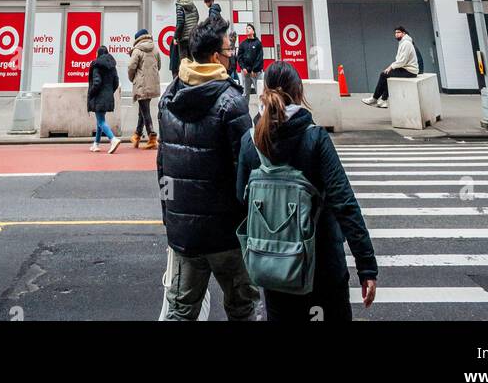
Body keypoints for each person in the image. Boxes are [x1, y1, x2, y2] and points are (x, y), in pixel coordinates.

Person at [238, 61, 378, 322]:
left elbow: (240, 201)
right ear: (299, 92)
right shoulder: (314, 138)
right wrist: (366, 265)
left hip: (274, 268)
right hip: (322, 265)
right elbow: (344, 203)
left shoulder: (251, 141)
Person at [157, 18, 258, 321]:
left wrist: (171, 219)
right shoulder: (232, 102)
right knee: (243, 309)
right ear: (216, 57)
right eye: (230, 49)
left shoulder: (168, 100)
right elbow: (248, 169)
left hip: (185, 236)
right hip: (227, 234)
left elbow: (162, 168)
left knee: (181, 312)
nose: (233, 54)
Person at [362, 25, 418, 109]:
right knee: (387, 76)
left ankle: (375, 98)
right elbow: (400, 60)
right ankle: (382, 100)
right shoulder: (403, 42)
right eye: (395, 33)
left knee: (384, 74)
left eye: (398, 32)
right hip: (406, 68)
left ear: (404, 33)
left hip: (410, 71)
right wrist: (392, 67)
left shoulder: (406, 43)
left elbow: (402, 61)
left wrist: (391, 67)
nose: (396, 34)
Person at [127, 27, 160, 149]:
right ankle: (137, 135)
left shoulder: (137, 50)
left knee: (145, 111)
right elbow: (159, 66)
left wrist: (132, 79)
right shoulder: (155, 49)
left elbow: (131, 67)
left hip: (141, 84)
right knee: (142, 110)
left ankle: (152, 137)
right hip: (152, 84)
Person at [86, 45, 122, 154]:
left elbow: (97, 82)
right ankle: (96, 144)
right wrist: (109, 92)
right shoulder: (112, 66)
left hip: (99, 97)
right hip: (108, 96)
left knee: (101, 121)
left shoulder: (97, 65)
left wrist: (91, 93)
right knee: (99, 121)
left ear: (98, 54)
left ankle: (113, 139)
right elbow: (116, 81)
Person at [173, 0, 199, 71]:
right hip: (192, 37)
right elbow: (197, 17)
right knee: (192, 60)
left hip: (183, 38)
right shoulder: (192, 5)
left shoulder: (180, 6)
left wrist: (176, 37)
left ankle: (185, 82)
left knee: (184, 62)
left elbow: (180, 22)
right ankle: (193, 81)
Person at [236, 24, 264, 102]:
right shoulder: (242, 44)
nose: (247, 29)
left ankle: (261, 112)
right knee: (245, 93)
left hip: (256, 73)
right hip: (245, 73)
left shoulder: (258, 43)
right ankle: (245, 112)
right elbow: (239, 57)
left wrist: (254, 70)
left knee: (260, 93)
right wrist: (243, 68)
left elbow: (259, 58)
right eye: (246, 28)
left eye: (249, 28)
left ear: (253, 31)